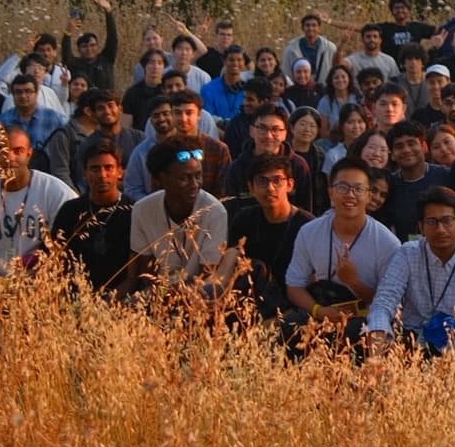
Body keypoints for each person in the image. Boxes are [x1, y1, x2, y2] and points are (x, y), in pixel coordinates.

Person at [366, 187, 455, 353]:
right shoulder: (407, 253)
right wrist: (378, 338)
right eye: (432, 222)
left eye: (447, 220)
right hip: (413, 338)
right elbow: (385, 300)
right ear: (421, 227)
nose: (440, 229)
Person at [285, 158, 402, 330]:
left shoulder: (387, 243)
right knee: (289, 326)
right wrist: (319, 311)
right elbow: (294, 285)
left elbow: (391, 301)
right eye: (342, 187)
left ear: (369, 195)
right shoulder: (309, 232)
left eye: (358, 189)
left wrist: (353, 282)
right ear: (330, 192)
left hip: (364, 320)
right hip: (322, 310)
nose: (350, 195)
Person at [0, 125, 78, 285]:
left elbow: (72, 248)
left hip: (46, 285)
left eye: (18, 151)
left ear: (29, 154)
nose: (9, 158)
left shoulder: (57, 192)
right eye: (1, 150)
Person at [127, 135, 228, 290]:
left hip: (197, 299)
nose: (195, 184)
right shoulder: (143, 210)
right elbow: (143, 274)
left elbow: (206, 279)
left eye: (198, 176)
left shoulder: (215, 212)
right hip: (156, 296)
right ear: (161, 179)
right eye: (184, 178)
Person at [224, 152, 313, 322]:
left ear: (290, 185)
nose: (270, 188)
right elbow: (231, 258)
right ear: (251, 187)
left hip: (294, 306)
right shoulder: (244, 219)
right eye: (262, 181)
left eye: (277, 180)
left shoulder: (307, 225)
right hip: (251, 301)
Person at [49, 139, 136, 298]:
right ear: (85, 173)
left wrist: (109, 302)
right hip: (76, 299)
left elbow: (135, 274)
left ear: (120, 172)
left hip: (122, 301)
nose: (102, 175)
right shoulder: (70, 211)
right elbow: (57, 261)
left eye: (108, 168)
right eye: (95, 169)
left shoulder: (134, 211)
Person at [383, 122, 451, 240]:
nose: (406, 150)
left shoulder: (446, 176)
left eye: (411, 143)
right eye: (399, 146)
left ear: (424, 146)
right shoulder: (389, 186)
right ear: (392, 155)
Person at [61, 0, 119, 91]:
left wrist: (108, 12)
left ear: (98, 46)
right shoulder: (75, 65)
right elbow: (65, 53)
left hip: (106, 102)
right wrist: (68, 32)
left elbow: (112, 38)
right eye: (84, 46)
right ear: (79, 49)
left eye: (92, 45)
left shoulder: (106, 59)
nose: (89, 49)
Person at [281, 14, 339, 89]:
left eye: (314, 25)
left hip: (324, 90)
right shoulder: (291, 49)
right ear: (302, 28)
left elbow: (335, 69)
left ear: (319, 28)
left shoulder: (330, 48)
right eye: (307, 25)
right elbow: (287, 72)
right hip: (299, 91)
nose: (311, 28)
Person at [122, 49, 171, 131]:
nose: (155, 66)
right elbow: (126, 125)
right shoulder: (132, 93)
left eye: (159, 63)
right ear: (144, 65)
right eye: (151, 62)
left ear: (164, 67)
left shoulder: (168, 90)